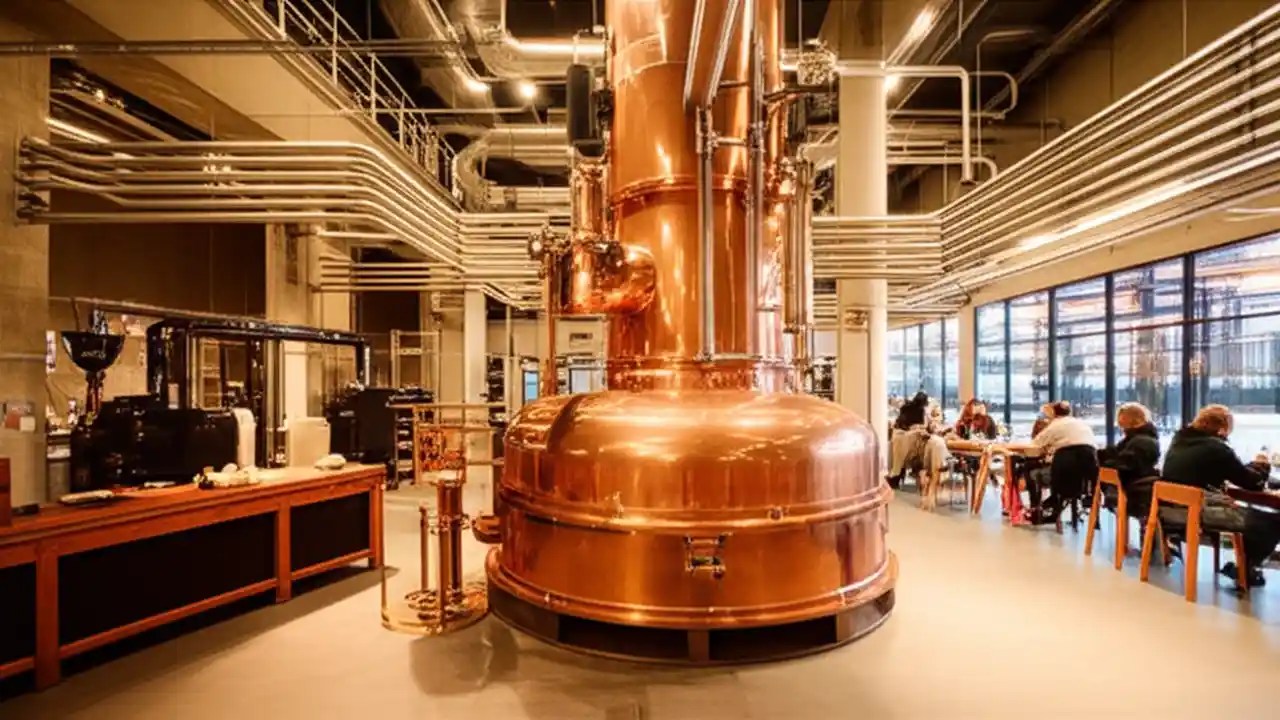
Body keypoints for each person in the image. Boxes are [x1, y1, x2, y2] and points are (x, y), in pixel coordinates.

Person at [1160, 405, 1278, 587]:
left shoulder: (1179, 441)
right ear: (1222, 428)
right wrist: (1261, 464)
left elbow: (1227, 469)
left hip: (1172, 509)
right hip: (1199, 512)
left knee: (1256, 518)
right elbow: (1250, 483)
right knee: (1270, 522)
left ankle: (1245, 566)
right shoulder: (1216, 448)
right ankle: (1246, 569)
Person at [1029, 401, 1099, 525]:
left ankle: (1037, 509)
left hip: (1064, 469)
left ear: (1053, 413)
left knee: (1029, 469)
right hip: (1088, 471)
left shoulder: (1056, 425)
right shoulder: (1081, 424)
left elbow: (1035, 444)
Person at [1097, 402, 1161, 518]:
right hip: (1137, 487)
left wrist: (1102, 460)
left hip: (1134, 490)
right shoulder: (1139, 439)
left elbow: (1126, 465)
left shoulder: (1140, 441)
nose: (1120, 426)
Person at [887, 392, 949, 493]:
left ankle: (898, 477)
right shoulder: (921, 411)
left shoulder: (906, 408)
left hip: (901, 441)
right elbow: (926, 427)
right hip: (914, 444)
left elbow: (899, 423)